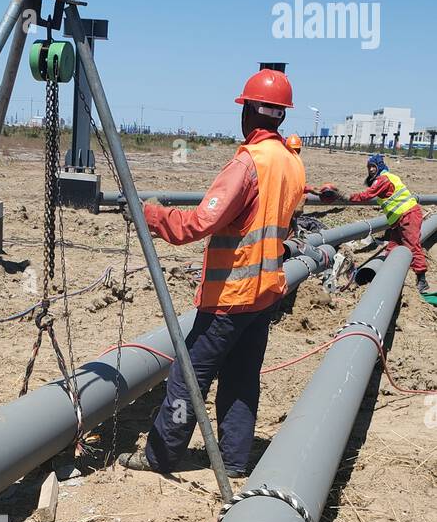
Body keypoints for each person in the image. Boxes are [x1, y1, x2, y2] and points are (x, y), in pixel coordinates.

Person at [120, 69, 305, 478]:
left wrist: (149, 213)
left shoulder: (248, 164)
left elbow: (196, 224)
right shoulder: (291, 164)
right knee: (241, 380)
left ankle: (162, 457)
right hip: (265, 295)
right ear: (280, 117)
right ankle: (236, 461)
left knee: (187, 379)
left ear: (249, 115)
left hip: (230, 297)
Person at [348, 155, 429, 294]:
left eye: (373, 166)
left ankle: (422, 280)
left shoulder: (383, 179)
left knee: (412, 246)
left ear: (379, 166)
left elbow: (367, 195)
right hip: (399, 220)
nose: (371, 170)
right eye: (369, 167)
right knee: (392, 248)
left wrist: (347, 197)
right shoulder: (386, 178)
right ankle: (387, 278)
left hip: (408, 215)